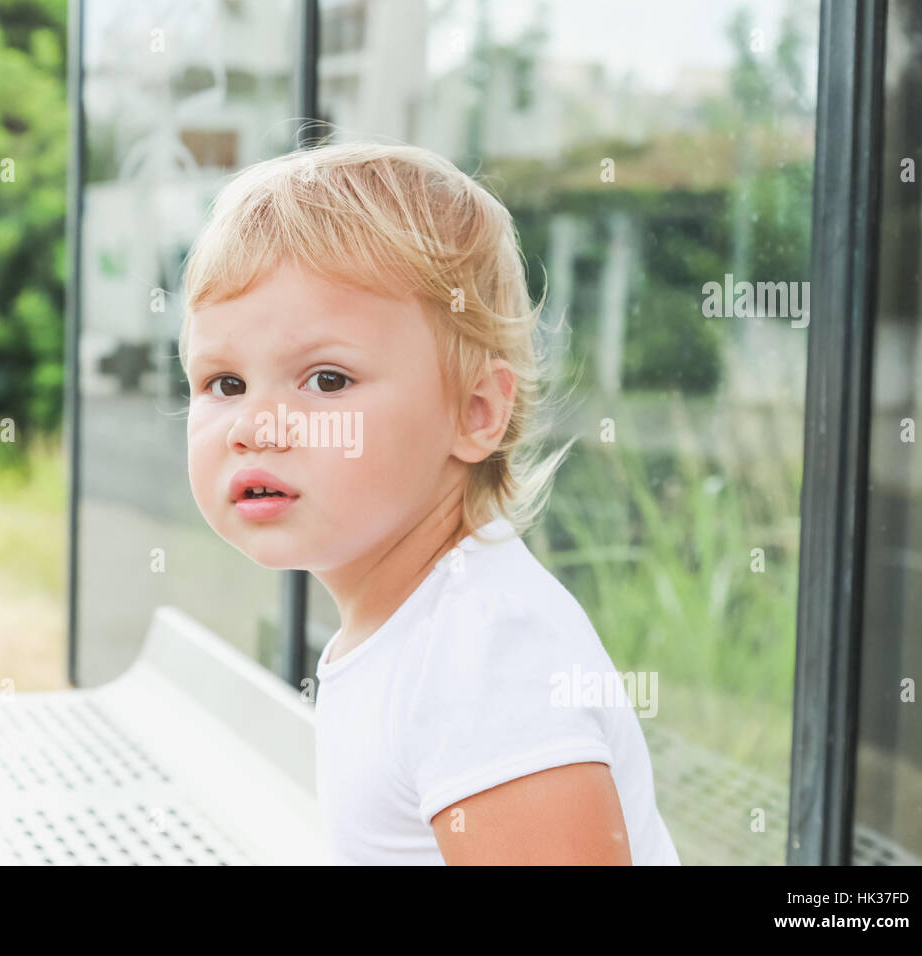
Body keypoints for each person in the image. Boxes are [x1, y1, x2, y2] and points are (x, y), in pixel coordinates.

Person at [179, 140, 680, 865]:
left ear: (477, 413)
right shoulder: (415, 625)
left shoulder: (484, 653)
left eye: (324, 381)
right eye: (225, 384)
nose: (259, 427)